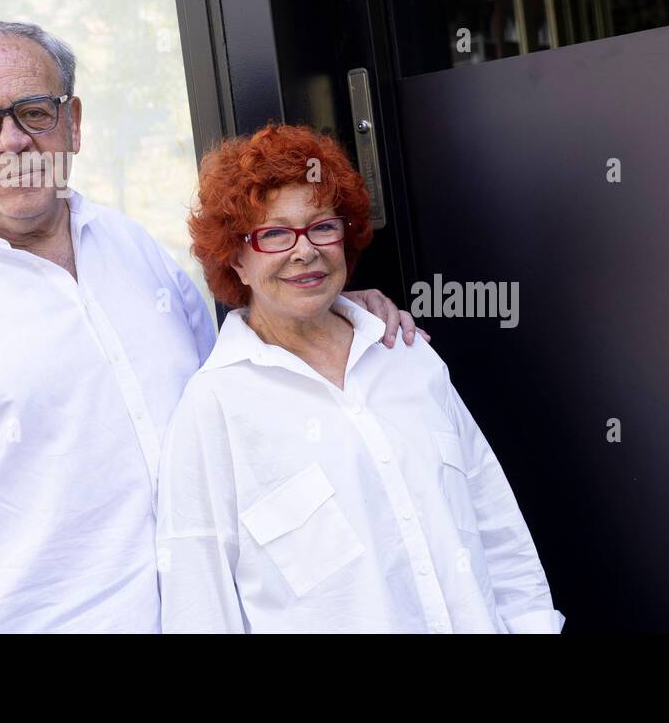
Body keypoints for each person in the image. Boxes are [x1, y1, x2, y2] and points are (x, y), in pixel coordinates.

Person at [0, 21, 421, 633]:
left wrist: (335, 313)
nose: (13, 143)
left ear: (73, 123)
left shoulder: (138, 254)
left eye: (34, 112)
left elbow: (242, 402)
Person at [158, 124, 563, 633]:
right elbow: (198, 605)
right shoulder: (213, 409)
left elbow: (495, 525)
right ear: (235, 258)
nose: (304, 251)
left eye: (322, 226)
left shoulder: (406, 356)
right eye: (275, 234)